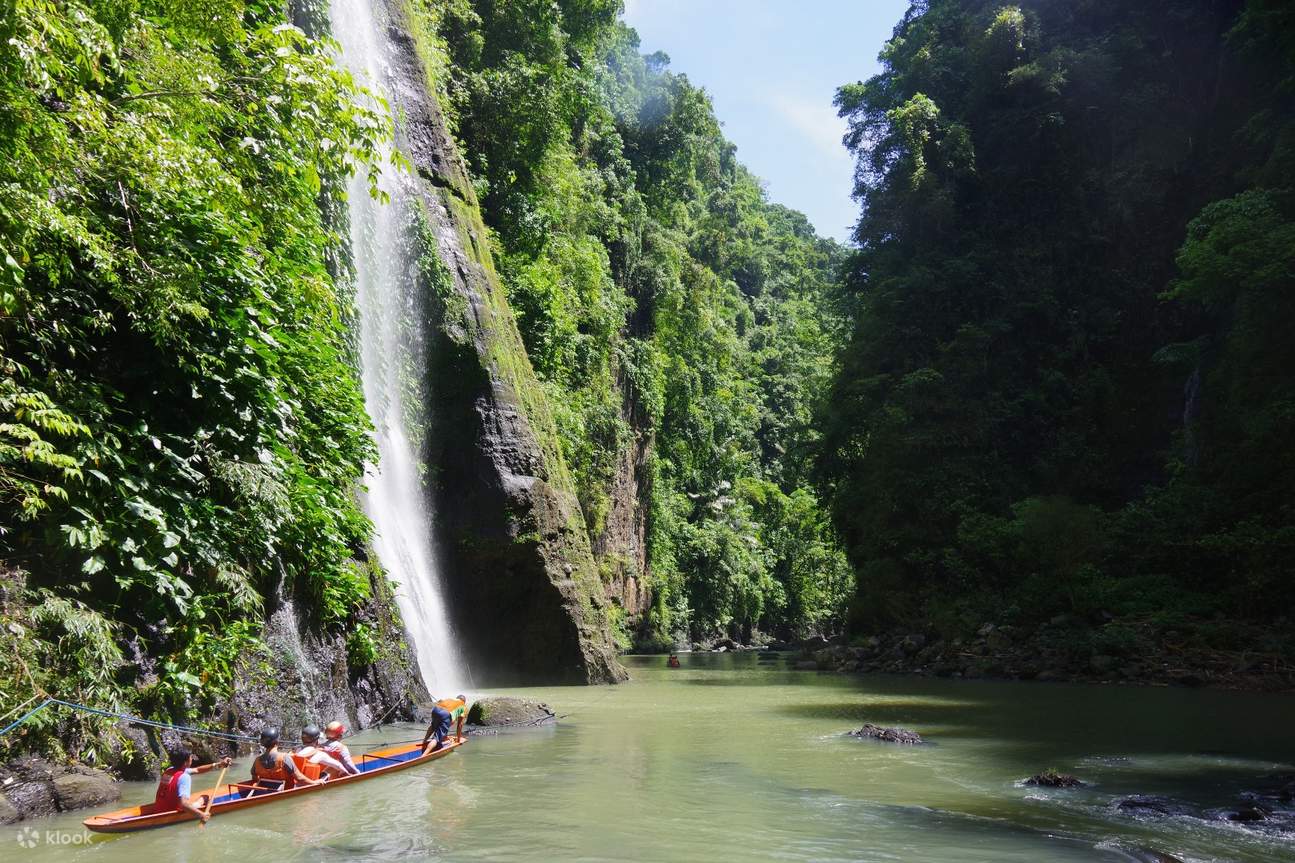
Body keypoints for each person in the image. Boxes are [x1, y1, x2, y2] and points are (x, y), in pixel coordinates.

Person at [153, 748, 232, 822]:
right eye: (190, 757)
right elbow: (183, 804)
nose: (192, 759)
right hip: (173, 811)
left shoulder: (169, 770)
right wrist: (202, 815)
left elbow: (197, 770)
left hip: (159, 808)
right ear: (185, 762)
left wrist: (219, 764)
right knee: (205, 798)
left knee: (192, 798)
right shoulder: (184, 777)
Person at [248, 727, 321, 795]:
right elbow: (299, 778)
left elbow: (254, 776)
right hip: (285, 791)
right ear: (277, 741)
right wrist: (314, 782)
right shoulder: (284, 757)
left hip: (265, 791)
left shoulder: (257, 760)